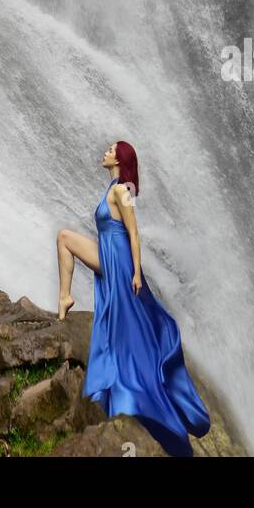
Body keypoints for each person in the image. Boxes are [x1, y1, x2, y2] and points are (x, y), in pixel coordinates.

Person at [56, 140, 211, 457]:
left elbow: (134, 234)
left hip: (122, 263)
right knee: (64, 238)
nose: (105, 151)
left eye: (111, 149)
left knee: (134, 335)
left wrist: (137, 273)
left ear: (120, 159)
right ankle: (65, 299)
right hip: (108, 256)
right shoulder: (113, 188)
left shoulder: (121, 192)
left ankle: (156, 401)